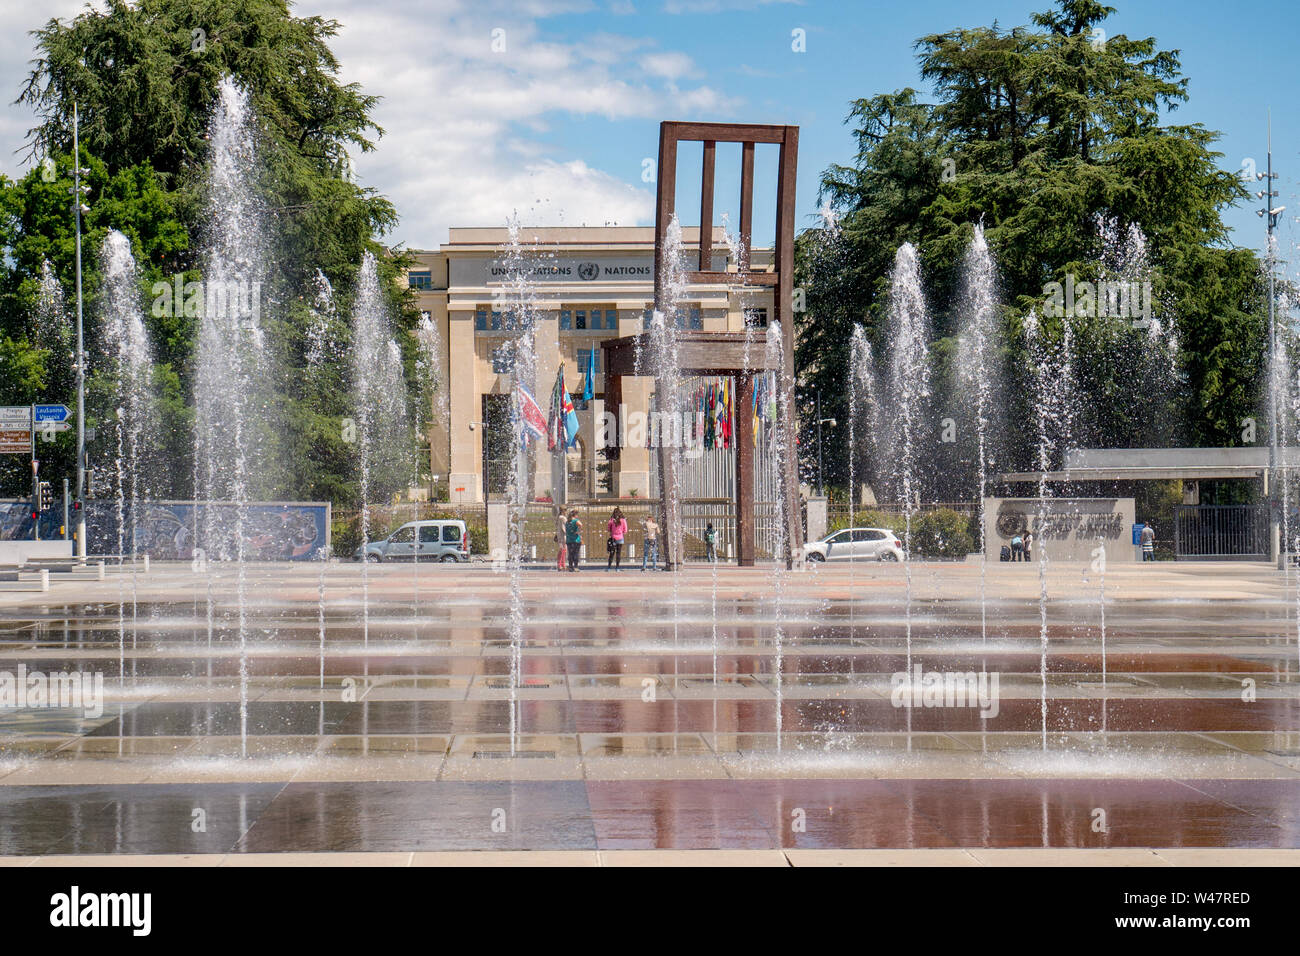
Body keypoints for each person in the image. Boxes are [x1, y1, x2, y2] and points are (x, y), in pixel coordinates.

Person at [553, 504, 567, 572]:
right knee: (563, 550)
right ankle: (561, 565)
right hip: (563, 535)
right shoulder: (563, 518)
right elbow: (564, 527)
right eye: (566, 510)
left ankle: (561, 564)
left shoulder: (558, 517)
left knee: (561, 550)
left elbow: (557, 526)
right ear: (563, 511)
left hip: (559, 535)